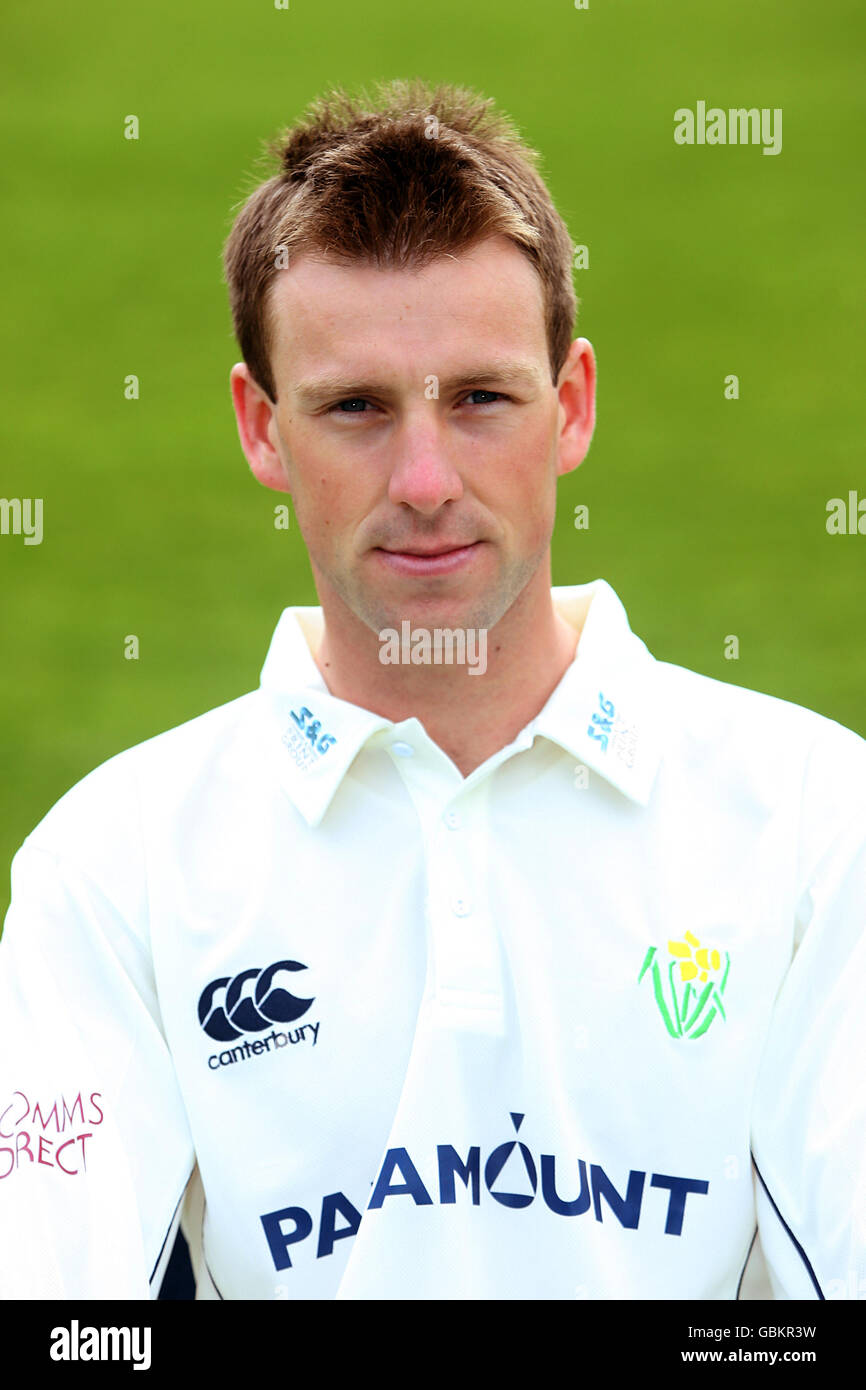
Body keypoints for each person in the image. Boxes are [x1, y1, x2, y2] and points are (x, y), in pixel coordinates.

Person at [2, 76, 865, 1302]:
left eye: (479, 400)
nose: (421, 479)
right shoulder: (112, 866)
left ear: (568, 406)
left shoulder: (818, 821)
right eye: (354, 407)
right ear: (260, 428)